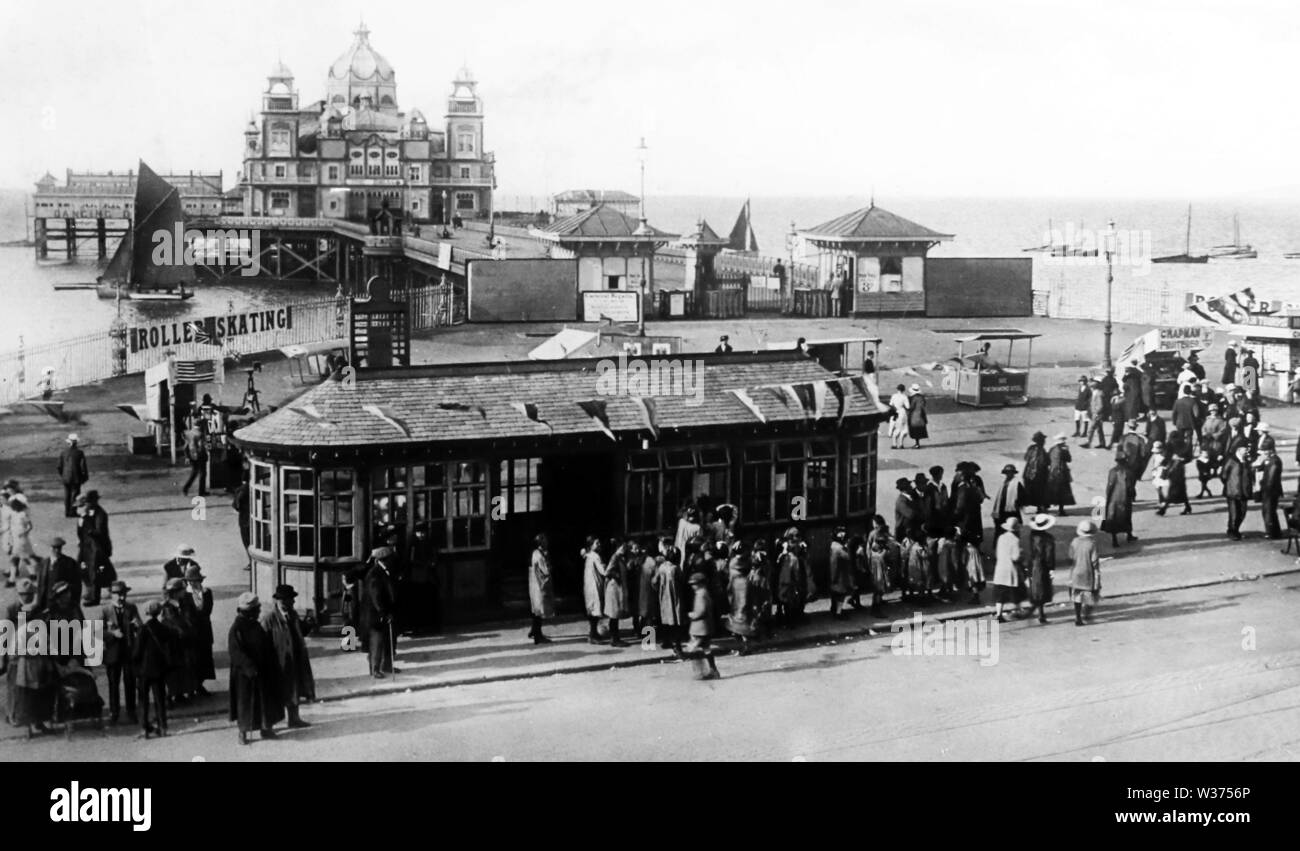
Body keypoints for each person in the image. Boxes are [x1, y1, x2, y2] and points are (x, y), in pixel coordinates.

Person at [2, 579, 56, 735]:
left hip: (35, 656)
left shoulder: (37, 608)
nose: (27, 597)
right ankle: (14, 716)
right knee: (15, 688)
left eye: (30, 594)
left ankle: (37, 721)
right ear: (19, 594)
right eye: (25, 595)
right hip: (16, 655)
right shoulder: (12, 609)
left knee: (36, 689)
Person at [227, 593, 283, 745]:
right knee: (246, 703)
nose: (259, 611)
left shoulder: (254, 624)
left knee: (264, 701)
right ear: (247, 611)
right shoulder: (237, 628)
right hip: (245, 674)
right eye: (256, 609)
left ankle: (266, 728)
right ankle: (243, 732)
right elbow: (236, 653)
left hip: (262, 670)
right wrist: (250, 668)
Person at [259, 585, 315, 729]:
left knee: (294, 689)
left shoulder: (293, 614)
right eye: (286, 600)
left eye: (291, 600)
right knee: (276, 693)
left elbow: (301, 631)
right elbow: (262, 642)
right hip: (278, 663)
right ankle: (269, 726)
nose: (290, 603)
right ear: (278, 601)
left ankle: (294, 719)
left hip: (295, 659)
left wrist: (310, 622)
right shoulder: (269, 618)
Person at [101, 580, 140, 726]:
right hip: (113, 653)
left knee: (130, 682)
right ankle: (114, 713)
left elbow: (139, 627)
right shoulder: (105, 610)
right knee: (113, 684)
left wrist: (138, 625)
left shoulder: (131, 608)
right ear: (111, 595)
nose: (121, 598)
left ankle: (131, 711)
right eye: (118, 595)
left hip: (129, 652)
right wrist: (112, 634)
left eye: (123, 594)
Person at [133, 600, 170, 738]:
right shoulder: (163, 628)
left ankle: (144, 729)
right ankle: (163, 727)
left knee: (143, 700)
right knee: (160, 699)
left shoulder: (143, 629)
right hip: (159, 669)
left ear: (146, 612)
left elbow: (137, 652)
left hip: (144, 670)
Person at [159, 578, 197, 704]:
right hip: (172, 644)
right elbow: (174, 623)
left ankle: (180, 693)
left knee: (183, 668)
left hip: (183, 642)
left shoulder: (183, 603)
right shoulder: (167, 607)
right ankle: (171, 695)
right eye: (182, 590)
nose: (184, 592)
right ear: (175, 592)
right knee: (172, 670)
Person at [361, 547, 398, 678]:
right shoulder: (375, 574)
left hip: (385, 613)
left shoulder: (385, 571)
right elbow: (376, 597)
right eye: (390, 559)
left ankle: (386, 665)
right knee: (376, 642)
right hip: (376, 615)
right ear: (384, 560)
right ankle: (375, 669)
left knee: (388, 640)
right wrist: (383, 613)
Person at [76, 490, 113, 606]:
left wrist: (85, 520)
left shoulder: (100, 514)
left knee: (95, 571)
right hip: (87, 547)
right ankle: (90, 591)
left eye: (88, 502)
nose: (86, 504)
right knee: (83, 569)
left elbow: (99, 532)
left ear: (94, 502)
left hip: (97, 548)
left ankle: (94, 598)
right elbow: (81, 532)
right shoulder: (89, 512)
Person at [185, 565, 215, 695]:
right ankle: (192, 686)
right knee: (193, 659)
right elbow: (186, 613)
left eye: (195, 580)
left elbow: (208, 610)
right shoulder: (185, 595)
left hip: (204, 631)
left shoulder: (207, 592)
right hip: (191, 632)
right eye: (190, 581)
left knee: (204, 658)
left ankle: (199, 685)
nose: (192, 583)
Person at [685, 572, 721, 680]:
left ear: (700, 584)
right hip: (705, 627)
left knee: (691, 649)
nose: (692, 586)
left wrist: (691, 615)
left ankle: (701, 672)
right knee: (706, 649)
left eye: (694, 584)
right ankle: (713, 670)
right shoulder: (705, 593)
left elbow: (701, 611)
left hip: (699, 628)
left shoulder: (700, 594)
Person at [1068, 521, 1102, 626]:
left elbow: (1070, 556)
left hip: (1075, 571)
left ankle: (1078, 617)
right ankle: (1087, 612)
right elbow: (1094, 561)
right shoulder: (1092, 544)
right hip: (1088, 572)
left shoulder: (1074, 541)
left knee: (1077, 595)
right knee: (1092, 592)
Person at [1101, 450, 1138, 547]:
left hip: (1113, 498)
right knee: (1126, 517)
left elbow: (1109, 485)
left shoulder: (1112, 471)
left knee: (1113, 518)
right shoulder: (1129, 472)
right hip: (1125, 499)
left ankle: (1114, 540)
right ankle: (1129, 535)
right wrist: (1133, 496)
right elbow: (1131, 486)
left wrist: (1108, 495)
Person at [653, 545, 685, 655]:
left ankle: (666, 641)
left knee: (665, 620)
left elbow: (654, 581)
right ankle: (677, 646)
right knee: (676, 622)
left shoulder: (661, 567)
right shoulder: (676, 568)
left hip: (664, 598)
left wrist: (659, 590)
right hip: (676, 598)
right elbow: (682, 581)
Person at [991, 517, 1024, 622]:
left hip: (1000, 568)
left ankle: (999, 614)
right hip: (1011, 569)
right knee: (1016, 592)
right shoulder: (1016, 540)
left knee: (1000, 593)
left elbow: (997, 553)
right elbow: (1015, 557)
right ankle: (1017, 611)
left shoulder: (1001, 538)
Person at [1025, 514, 1056, 624]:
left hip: (1032, 564)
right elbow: (1049, 555)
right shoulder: (1048, 539)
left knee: (1036, 588)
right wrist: (1051, 567)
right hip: (1042, 565)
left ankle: (1037, 609)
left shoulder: (1032, 536)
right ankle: (1041, 614)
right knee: (1043, 588)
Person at [35, 536, 80, 611]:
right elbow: (40, 585)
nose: (56, 550)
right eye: (54, 548)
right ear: (50, 548)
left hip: (62, 604)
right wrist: (39, 603)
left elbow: (76, 584)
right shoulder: (44, 563)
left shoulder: (69, 563)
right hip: (46, 603)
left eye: (59, 548)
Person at [725, 548, 756, 653]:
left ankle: (746, 647)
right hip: (739, 609)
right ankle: (744, 647)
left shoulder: (740, 582)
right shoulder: (743, 581)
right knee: (741, 631)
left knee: (742, 631)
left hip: (740, 610)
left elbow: (742, 597)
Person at [527, 534, 555, 644]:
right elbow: (546, 570)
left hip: (535, 583)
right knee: (539, 610)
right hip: (539, 585)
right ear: (541, 543)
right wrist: (548, 562)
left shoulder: (535, 553)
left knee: (536, 609)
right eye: (545, 541)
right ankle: (538, 635)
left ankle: (534, 631)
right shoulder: (539, 555)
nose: (547, 542)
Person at [1221, 445, 1253, 541]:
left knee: (1242, 512)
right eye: (1245, 449)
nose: (1247, 450)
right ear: (1238, 450)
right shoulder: (1231, 461)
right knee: (1234, 513)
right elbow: (1223, 475)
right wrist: (1230, 485)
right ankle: (1232, 531)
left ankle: (1236, 530)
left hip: (1244, 492)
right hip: (1233, 492)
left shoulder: (1246, 461)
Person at [604, 538, 631, 647]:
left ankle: (615, 638)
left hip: (618, 589)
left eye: (625, 547)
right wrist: (616, 575)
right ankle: (614, 639)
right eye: (622, 547)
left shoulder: (620, 558)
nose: (624, 549)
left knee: (615, 615)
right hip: (614, 590)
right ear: (618, 548)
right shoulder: (615, 557)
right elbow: (608, 572)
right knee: (613, 615)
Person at [1153, 444, 1192, 516]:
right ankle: (1188, 507)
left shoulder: (1171, 449)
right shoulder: (1182, 447)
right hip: (1179, 474)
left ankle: (1163, 510)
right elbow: (1188, 458)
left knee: (1172, 493)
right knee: (1182, 493)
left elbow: (1166, 460)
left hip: (1175, 475)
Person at [6, 493, 36, 585]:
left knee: (14, 559)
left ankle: (12, 579)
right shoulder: (14, 514)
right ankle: (33, 573)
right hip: (17, 539)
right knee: (24, 557)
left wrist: (24, 533)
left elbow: (30, 526)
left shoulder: (23, 514)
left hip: (21, 540)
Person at [57, 433, 89, 518]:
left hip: (66, 477)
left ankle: (67, 512)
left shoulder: (63, 453)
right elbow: (83, 467)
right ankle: (73, 511)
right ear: (76, 443)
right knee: (75, 494)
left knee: (67, 494)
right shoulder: (79, 453)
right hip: (76, 477)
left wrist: (62, 474)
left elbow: (59, 466)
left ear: (68, 443)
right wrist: (85, 477)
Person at [1257, 445, 1284, 540]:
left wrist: (1262, 484)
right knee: (1271, 511)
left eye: (1265, 450)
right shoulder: (1272, 460)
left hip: (1270, 491)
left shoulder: (1274, 462)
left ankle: (1271, 532)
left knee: (1268, 512)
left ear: (1271, 450)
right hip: (1272, 490)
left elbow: (1271, 478)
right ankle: (1275, 532)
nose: (1264, 453)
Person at [827, 527, 853, 618]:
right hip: (840, 574)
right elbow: (846, 557)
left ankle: (834, 609)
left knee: (835, 593)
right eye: (840, 532)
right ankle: (838, 613)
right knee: (841, 594)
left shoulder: (833, 545)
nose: (842, 534)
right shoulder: (838, 548)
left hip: (837, 573)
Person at [991, 464, 1026, 529]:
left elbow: (1023, 496)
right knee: (1001, 525)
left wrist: (1017, 504)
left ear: (1013, 473)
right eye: (1007, 473)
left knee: (1012, 526)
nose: (1008, 474)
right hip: (1002, 508)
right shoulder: (1003, 483)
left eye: (1010, 472)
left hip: (1011, 510)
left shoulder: (1017, 483)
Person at [1023, 432, 1049, 508]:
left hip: (1028, 473)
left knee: (1030, 490)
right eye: (1043, 440)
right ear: (1041, 441)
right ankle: (1039, 507)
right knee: (1040, 491)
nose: (1044, 441)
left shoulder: (1030, 448)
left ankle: (1028, 505)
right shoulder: (1041, 450)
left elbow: (1025, 458)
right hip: (1039, 474)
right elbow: (1044, 462)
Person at [181, 427, 209, 497]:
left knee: (194, 473)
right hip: (200, 456)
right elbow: (201, 446)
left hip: (192, 456)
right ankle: (201, 491)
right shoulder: (200, 434)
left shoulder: (190, 434)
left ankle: (186, 488)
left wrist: (187, 456)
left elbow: (185, 447)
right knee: (202, 473)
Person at [1171, 387, 1200, 452]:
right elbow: (1196, 414)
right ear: (1190, 392)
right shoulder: (1192, 401)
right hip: (1190, 422)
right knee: (1189, 438)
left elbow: (1174, 413)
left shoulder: (1177, 401)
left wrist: (1174, 421)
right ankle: (1189, 452)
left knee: (1180, 438)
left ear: (1183, 392)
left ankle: (1181, 451)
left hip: (1180, 422)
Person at [1084, 379, 1109, 449]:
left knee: (1091, 429)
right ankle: (1102, 443)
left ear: (1093, 387)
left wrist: (1096, 413)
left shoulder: (1098, 394)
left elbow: (1100, 405)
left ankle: (1088, 442)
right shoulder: (1096, 393)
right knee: (1099, 429)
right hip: (1096, 413)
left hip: (1097, 414)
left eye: (1091, 387)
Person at [907, 384, 929, 449]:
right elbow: (924, 404)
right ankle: (917, 443)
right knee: (919, 429)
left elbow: (911, 407)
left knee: (915, 429)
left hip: (914, 415)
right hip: (921, 414)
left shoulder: (912, 398)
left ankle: (917, 444)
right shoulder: (921, 397)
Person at [888, 384, 910, 450]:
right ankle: (901, 444)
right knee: (903, 428)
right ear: (903, 390)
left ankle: (894, 443)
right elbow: (908, 406)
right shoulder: (904, 397)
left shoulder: (894, 396)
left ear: (897, 389)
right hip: (902, 412)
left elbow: (891, 404)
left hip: (895, 412)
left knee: (896, 427)